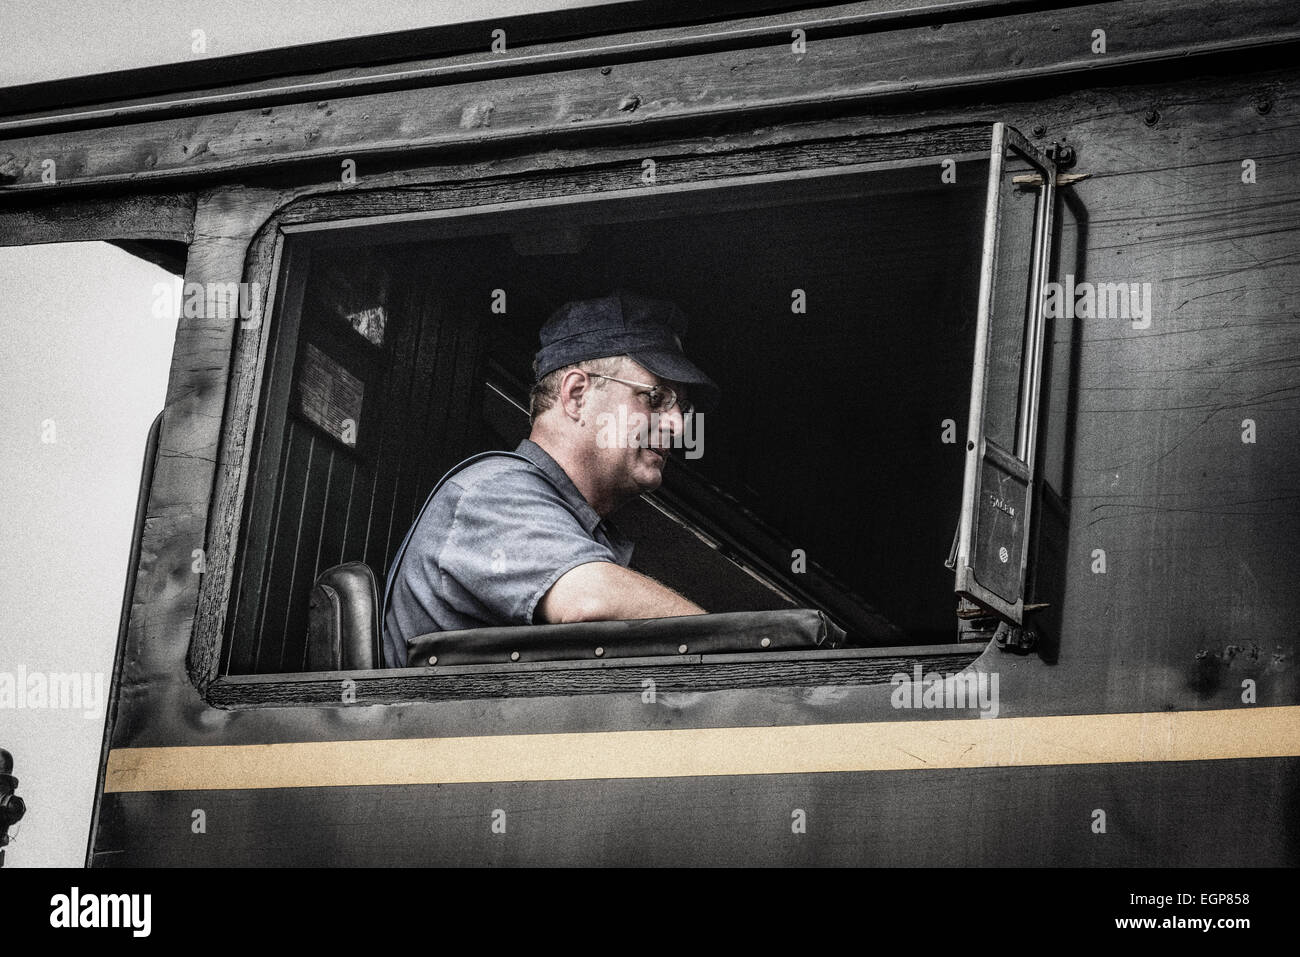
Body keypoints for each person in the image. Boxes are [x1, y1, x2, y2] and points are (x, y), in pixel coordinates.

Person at [381, 290, 720, 668]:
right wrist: (738, 649)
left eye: (683, 408)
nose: (678, 425)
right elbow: (591, 600)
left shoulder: (575, 526)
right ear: (576, 395)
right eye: (656, 398)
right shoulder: (492, 492)